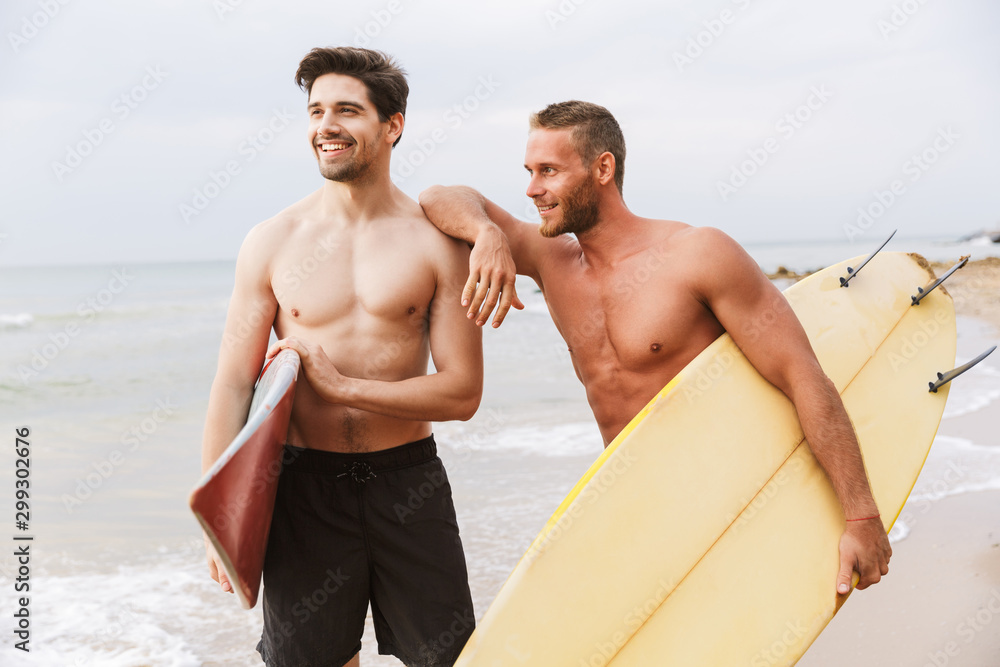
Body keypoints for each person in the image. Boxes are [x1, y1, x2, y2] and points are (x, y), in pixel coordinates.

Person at [418, 100, 892, 596]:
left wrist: (861, 517)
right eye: (529, 171)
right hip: (636, 509)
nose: (532, 189)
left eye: (549, 171)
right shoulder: (550, 259)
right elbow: (438, 197)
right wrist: (486, 232)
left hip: (730, 507)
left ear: (603, 168)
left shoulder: (698, 255)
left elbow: (802, 376)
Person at [200, 47, 483, 667]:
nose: (325, 126)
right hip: (302, 488)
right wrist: (221, 516)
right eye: (315, 111)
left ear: (392, 125)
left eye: (347, 110)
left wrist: (344, 386)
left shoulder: (437, 243)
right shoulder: (272, 242)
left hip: (407, 484)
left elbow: (462, 392)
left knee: (450, 660)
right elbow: (232, 384)